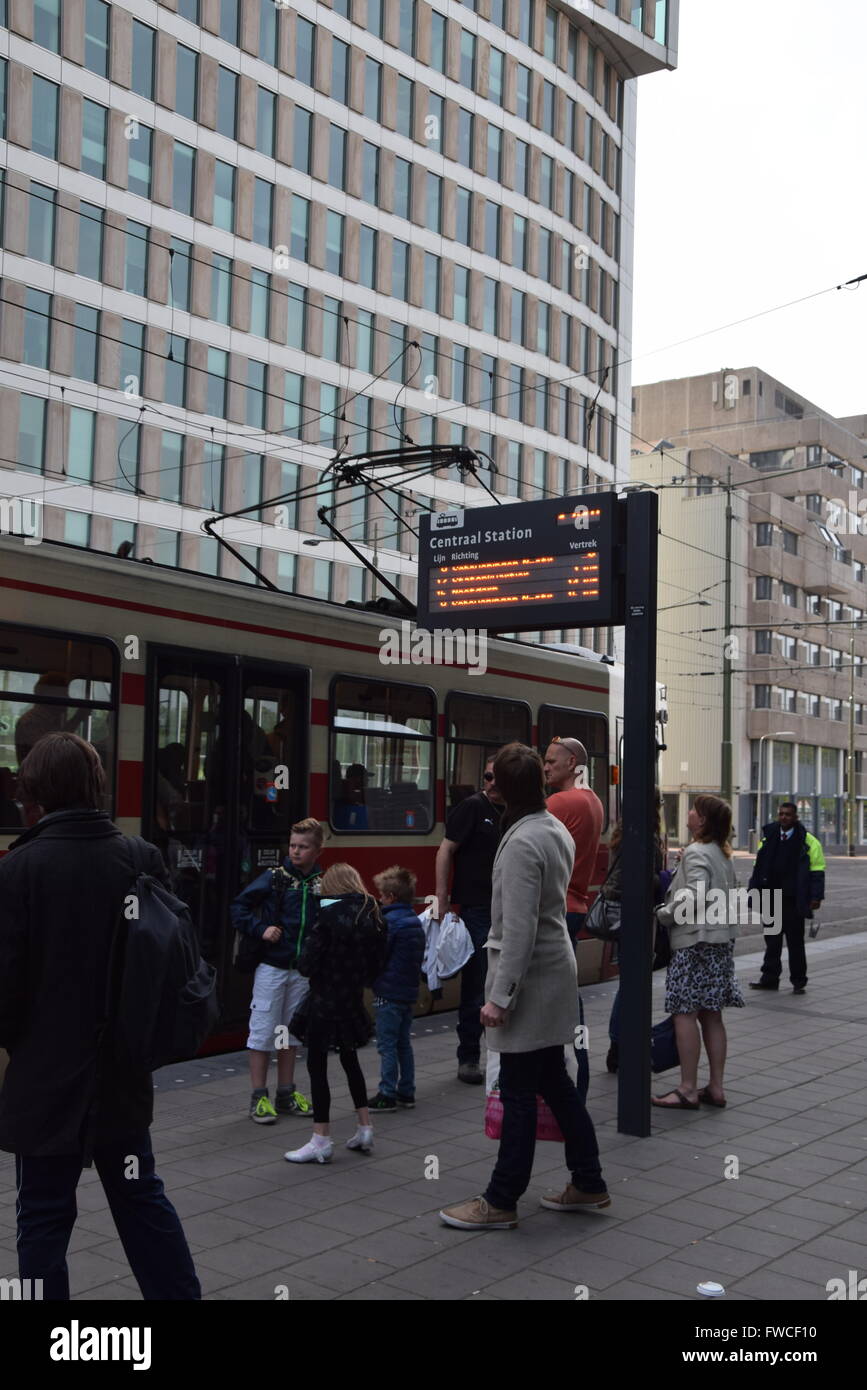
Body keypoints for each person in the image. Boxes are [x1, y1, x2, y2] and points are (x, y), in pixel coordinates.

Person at [0, 732, 200, 1300]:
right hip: (120, 1073)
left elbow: (5, 991)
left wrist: (21, 1046)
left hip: (45, 1079)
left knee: (42, 1213)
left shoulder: (18, 870)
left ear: (35, 790)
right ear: (95, 784)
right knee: (139, 1196)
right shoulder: (140, 857)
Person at [439, 743, 610, 1231]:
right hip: (553, 970)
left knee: (517, 1092)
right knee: (555, 1083)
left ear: (507, 790)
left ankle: (501, 1200)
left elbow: (518, 929)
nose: (487, 785)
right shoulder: (551, 827)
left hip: (529, 981)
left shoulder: (521, 842)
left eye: (493, 779)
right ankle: (589, 1181)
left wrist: (500, 998)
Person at [283, 863, 386, 1163]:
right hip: (352, 1001)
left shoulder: (327, 915)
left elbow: (306, 964)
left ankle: (321, 1139)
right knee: (350, 1059)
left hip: (323, 1002)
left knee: (317, 1067)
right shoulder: (375, 914)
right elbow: (377, 966)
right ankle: (365, 1127)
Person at [652, 794, 744, 1109]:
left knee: (684, 1013)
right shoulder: (722, 853)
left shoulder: (696, 852)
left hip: (695, 942)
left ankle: (687, 1089)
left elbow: (695, 893)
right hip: (720, 942)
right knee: (712, 1015)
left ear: (702, 820)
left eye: (693, 809)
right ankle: (716, 1087)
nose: (689, 812)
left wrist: (665, 914)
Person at [231, 817, 324, 1123]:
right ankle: (259, 1097)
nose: (295, 851)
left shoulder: (321, 884)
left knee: (289, 1033)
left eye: (303, 847)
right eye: (293, 845)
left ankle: (286, 1092)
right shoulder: (274, 878)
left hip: (300, 971)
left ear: (317, 850)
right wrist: (261, 929)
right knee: (262, 1031)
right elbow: (239, 907)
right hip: (272, 968)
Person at [433, 755, 504, 1084]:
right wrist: (442, 899)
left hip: (505, 908)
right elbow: (445, 850)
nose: (491, 783)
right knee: (477, 983)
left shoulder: (514, 811)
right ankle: (469, 1057)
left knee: (500, 983)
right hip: (477, 909)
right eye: (487, 777)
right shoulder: (473, 807)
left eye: (497, 777)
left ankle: (500, 1055)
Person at [605, 791, 670, 1074]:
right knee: (632, 983)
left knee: (629, 981)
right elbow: (641, 877)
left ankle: (619, 1045)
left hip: (622, 913)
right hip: (634, 915)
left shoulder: (624, 831)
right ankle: (619, 1046)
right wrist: (666, 877)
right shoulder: (644, 834)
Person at [748, 802, 825, 995]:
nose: (784, 817)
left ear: (796, 817)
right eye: (781, 814)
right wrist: (753, 891)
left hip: (793, 900)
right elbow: (758, 867)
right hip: (771, 897)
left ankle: (798, 982)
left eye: (788, 814)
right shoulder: (768, 837)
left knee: (795, 942)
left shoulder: (809, 841)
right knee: (772, 942)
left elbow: (817, 871)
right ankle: (769, 979)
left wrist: (816, 897)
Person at [368, 865, 426, 1112]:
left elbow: (379, 956)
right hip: (407, 993)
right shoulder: (414, 921)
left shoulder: (389, 922)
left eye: (382, 895)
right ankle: (407, 1091)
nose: (380, 899)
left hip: (388, 993)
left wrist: (369, 978)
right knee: (403, 1044)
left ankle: (387, 1093)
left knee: (387, 1045)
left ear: (391, 897)